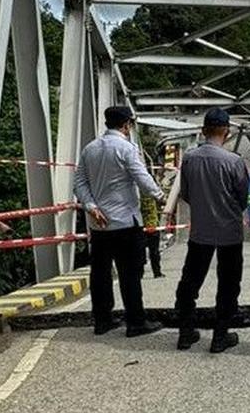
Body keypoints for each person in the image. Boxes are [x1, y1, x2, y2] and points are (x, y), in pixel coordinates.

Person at [73, 105, 165, 337]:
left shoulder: (89, 149)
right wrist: (160, 196)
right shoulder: (126, 148)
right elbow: (141, 176)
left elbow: (79, 183)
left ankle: (102, 320)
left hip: (99, 225)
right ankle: (136, 322)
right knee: (130, 274)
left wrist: (91, 207)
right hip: (126, 222)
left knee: (100, 274)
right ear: (126, 125)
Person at [173, 108, 250, 354]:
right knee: (228, 284)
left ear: (203, 130)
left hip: (200, 233)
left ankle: (186, 333)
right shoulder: (234, 161)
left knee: (190, 282)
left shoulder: (189, 158)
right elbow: (244, 197)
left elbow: (185, 194)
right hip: (229, 233)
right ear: (227, 132)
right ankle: (220, 336)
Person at [139, 193, 164, 279]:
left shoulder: (137, 193)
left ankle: (140, 273)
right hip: (152, 225)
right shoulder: (152, 192)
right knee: (154, 252)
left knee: (141, 252)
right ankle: (157, 272)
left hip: (142, 226)